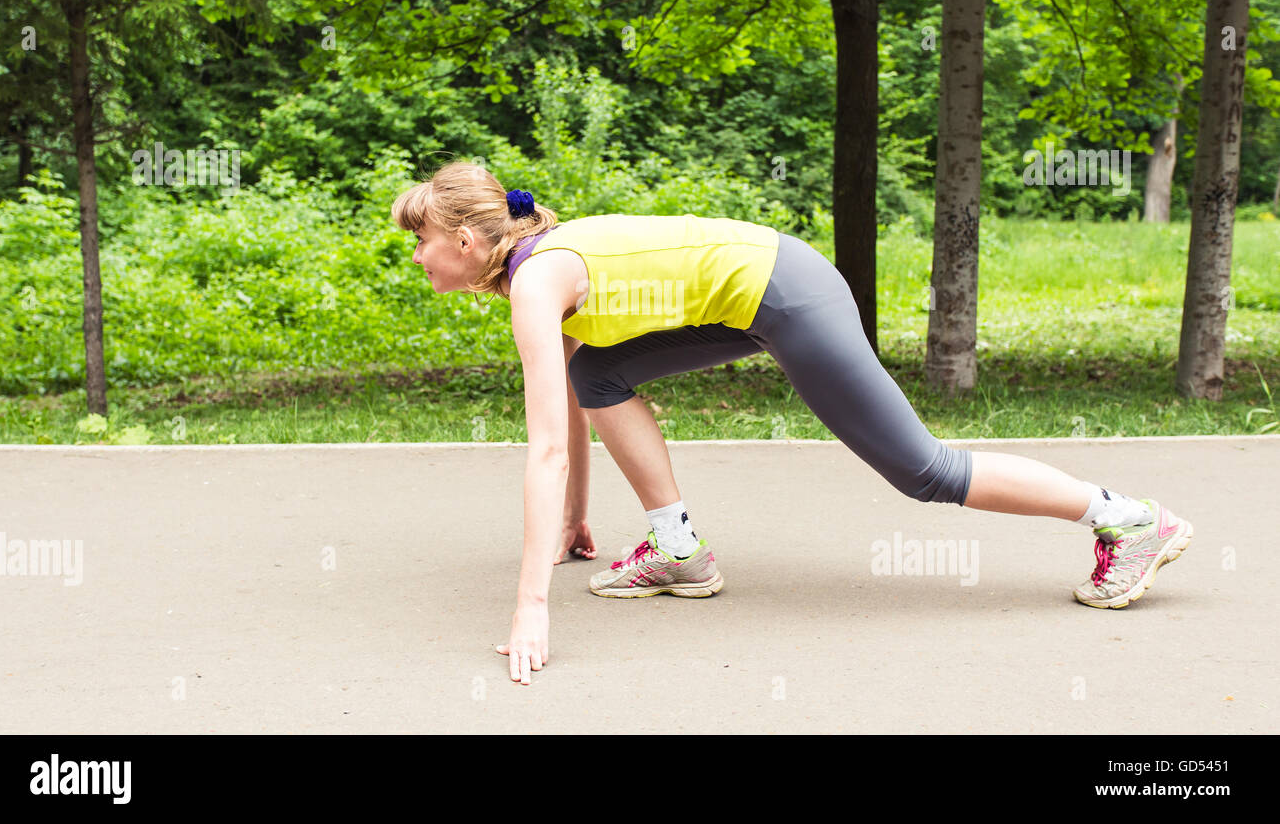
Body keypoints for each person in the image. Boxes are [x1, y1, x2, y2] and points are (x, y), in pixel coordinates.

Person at [391, 161, 1194, 685]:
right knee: (598, 370)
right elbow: (573, 398)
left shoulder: (536, 285)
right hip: (757, 288)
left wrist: (531, 606)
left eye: (421, 243)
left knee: (923, 471)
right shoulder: (540, 269)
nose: (419, 258)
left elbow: (545, 455)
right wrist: (574, 524)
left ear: (466, 240)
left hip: (786, 291)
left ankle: (1129, 520)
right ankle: (680, 552)